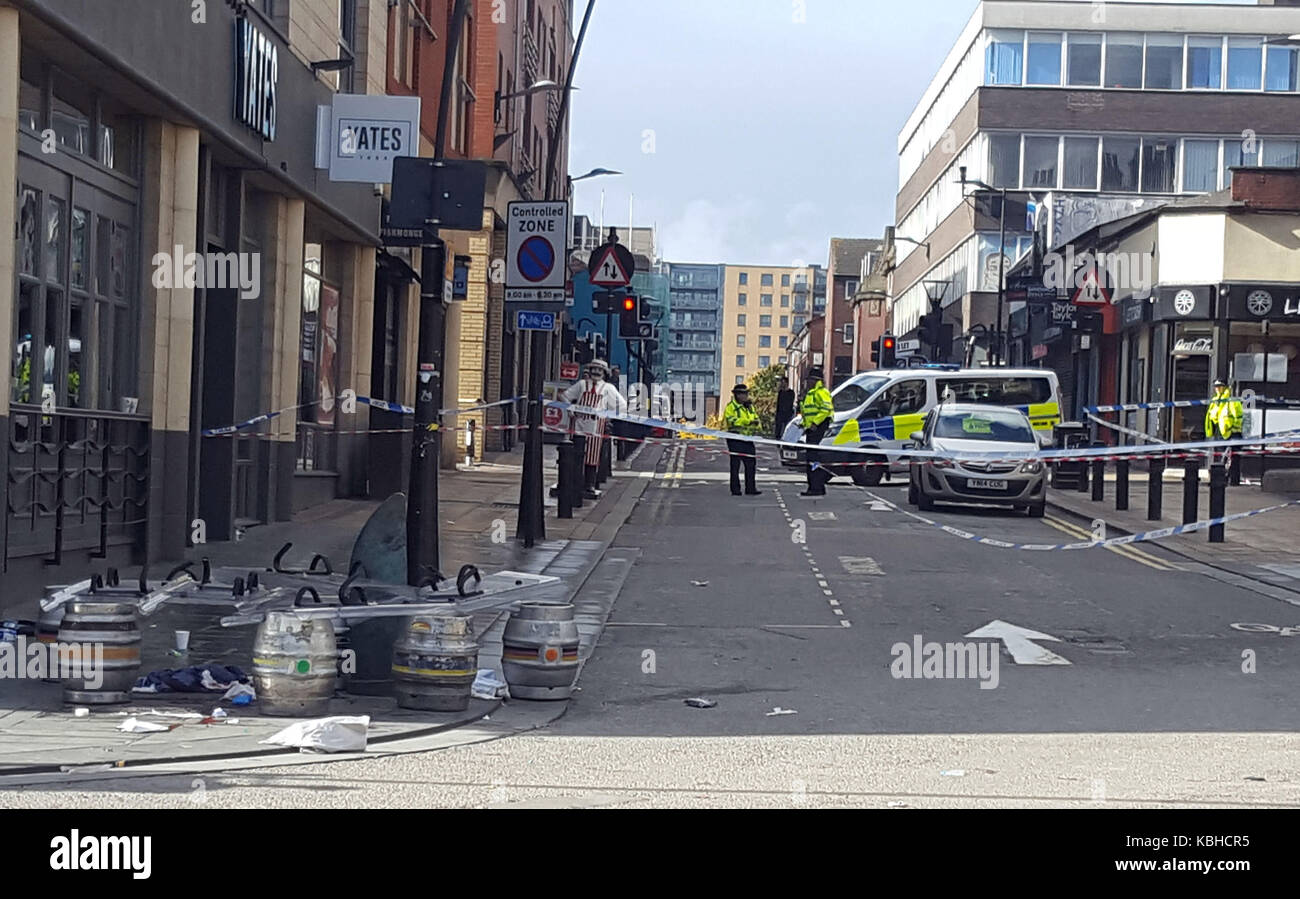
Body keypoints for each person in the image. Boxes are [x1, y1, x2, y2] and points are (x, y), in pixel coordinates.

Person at [562, 359, 628, 499]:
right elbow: (564, 396)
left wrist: (608, 416)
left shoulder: (608, 388)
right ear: (590, 370)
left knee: (592, 455)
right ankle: (574, 481)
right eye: (594, 369)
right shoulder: (581, 384)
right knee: (574, 453)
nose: (596, 372)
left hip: (595, 425)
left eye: (600, 370)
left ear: (604, 373)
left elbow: (621, 405)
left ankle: (589, 483)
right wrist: (570, 409)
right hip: (578, 423)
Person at [798, 365, 834, 496]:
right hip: (811, 430)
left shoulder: (821, 392)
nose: (807, 383)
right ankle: (816, 486)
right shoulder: (811, 394)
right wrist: (803, 424)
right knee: (811, 459)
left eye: (809, 380)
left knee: (813, 459)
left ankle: (816, 487)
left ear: (815, 380)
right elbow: (807, 413)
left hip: (818, 429)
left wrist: (815, 423)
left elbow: (826, 410)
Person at [723, 383, 762, 496]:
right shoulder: (731, 407)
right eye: (744, 394)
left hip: (747, 439)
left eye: (746, 394)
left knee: (751, 464)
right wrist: (748, 422)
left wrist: (756, 426)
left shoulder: (749, 407)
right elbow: (732, 421)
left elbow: (756, 419)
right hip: (735, 438)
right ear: (738, 395)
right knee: (735, 465)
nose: (746, 396)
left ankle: (751, 488)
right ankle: (735, 489)